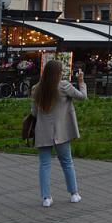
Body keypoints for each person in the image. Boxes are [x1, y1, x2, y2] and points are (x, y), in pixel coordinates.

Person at [31, 60, 86, 207]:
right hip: (61, 132)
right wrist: (81, 82)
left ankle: (46, 198)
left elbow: (34, 113)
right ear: (58, 73)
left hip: (43, 132)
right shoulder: (64, 86)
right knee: (67, 162)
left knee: (44, 164)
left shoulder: (36, 89)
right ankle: (74, 194)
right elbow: (82, 96)